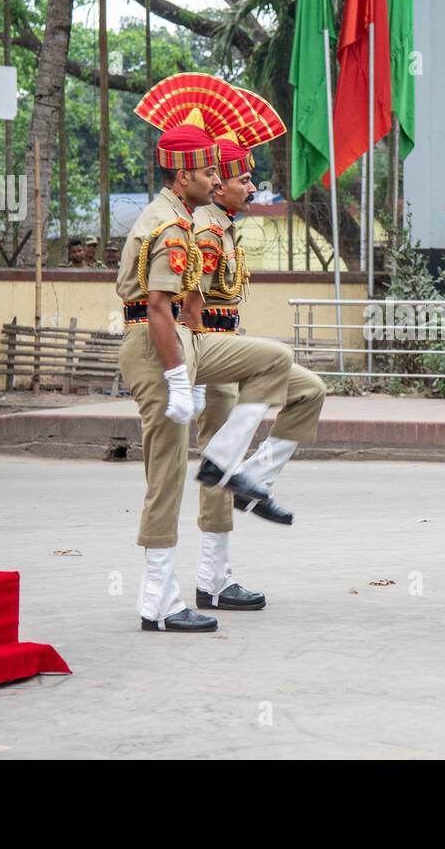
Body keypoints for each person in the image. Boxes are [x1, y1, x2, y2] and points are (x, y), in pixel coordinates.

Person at [121, 72, 313, 634]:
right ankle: (157, 600)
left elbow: (181, 308)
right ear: (186, 177)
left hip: (184, 343)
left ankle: (227, 476)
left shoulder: (180, 218)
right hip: (159, 346)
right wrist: (184, 376)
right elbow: (161, 309)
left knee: (276, 363)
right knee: (166, 475)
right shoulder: (175, 228)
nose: (222, 179)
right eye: (211, 171)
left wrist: (192, 363)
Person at [188, 83, 326, 611]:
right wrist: (197, 370)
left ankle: (257, 477)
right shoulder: (203, 228)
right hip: (214, 354)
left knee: (308, 390)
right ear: (217, 183)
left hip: (235, 346)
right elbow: (189, 301)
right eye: (244, 178)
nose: (252, 186)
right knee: (213, 471)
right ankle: (213, 580)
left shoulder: (224, 226)